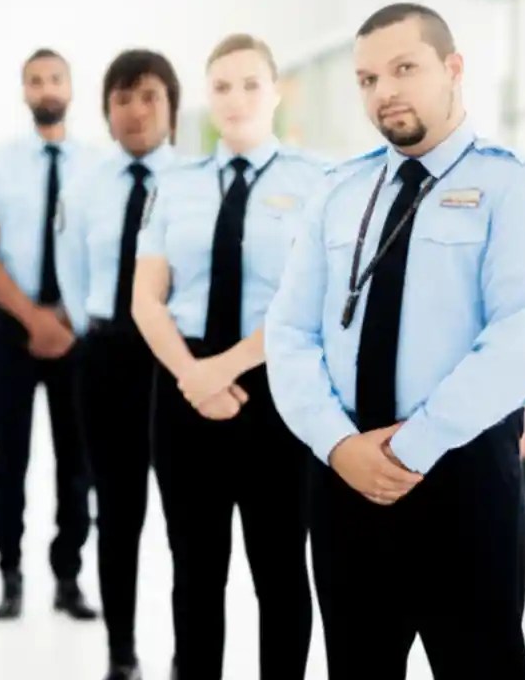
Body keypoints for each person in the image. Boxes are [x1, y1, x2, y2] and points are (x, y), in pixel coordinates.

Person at [264, 3, 525, 680]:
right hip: (343, 474)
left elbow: (520, 342)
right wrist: (339, 446)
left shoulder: (515, 187)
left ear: (452, 68)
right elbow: (288, 331)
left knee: (479, 663)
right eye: (368, 78)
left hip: (457, 476)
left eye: (404, 68)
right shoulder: (338, 192)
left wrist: (409, 448)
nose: (385, 91)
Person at [132, 35, 324, 679]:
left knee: (280, 570)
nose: (235, 99)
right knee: (194, 569)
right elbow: (145, 299)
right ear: (206, 98)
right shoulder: (174, 183)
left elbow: (311, 303)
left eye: (249, 84)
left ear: (276, 91)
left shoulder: (317, 182)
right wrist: (194, 375)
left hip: (277, 393)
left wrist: (226, 368)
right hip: (184, 393)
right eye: (221, 87)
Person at [55, 48, 184, 680]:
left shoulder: (196, 179)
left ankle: (192, 651)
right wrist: (95, 335)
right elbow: (69, 272)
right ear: (106, 114)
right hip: (107, 358)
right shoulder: (83, 189)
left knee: (190, 514)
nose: (136, 111)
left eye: (150, 96)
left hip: (182, 362)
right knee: (119, 511)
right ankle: (121, 650)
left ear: (173, 107)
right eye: (122, 99)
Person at [0, 48, 99, 621]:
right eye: (36, 81)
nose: (46, 89)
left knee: (78, 460)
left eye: (55, 79)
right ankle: (10, 573)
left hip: (77, 328)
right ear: (24, 92)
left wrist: (67, 317)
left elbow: (106, 251)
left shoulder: (100, 165)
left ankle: (68, 576)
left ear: (70, 88)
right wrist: (34, 318)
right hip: (10, 326)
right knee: (9, 457)